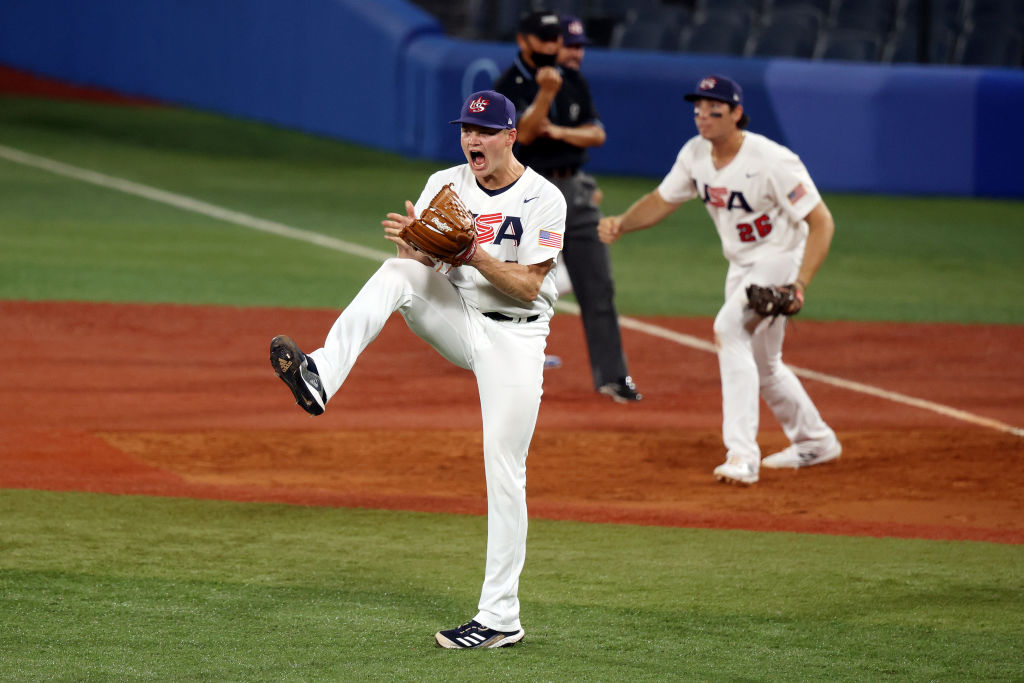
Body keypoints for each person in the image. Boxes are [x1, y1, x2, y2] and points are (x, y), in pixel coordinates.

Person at [269, 90, 565, 647]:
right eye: (465, 130)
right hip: (460, 316)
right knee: (394, 274)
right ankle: (320, 375)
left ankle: (501, 617)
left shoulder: (543, 199)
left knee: (505, 473)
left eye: (483, 131)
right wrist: (417, 245)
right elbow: (420, 270)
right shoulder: (445, 183)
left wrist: (470, 253)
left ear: (510, 136)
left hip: (516, 338)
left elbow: (529, 288)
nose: (472, 140)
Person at [598, 75, 842, 485]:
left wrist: (798, 284)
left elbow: (821, 222)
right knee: (764, 363)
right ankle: (816, 440)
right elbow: (663, 198)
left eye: (715, 108)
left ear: (737, 114)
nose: (703, 115)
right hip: (742, 265)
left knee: (727, 330)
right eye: (698, 108)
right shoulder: (695, 154)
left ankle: (743, 456)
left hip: (780, 258)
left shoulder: (771, 160)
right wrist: (623, 223)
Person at [493, 10, 641, 403]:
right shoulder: (508, 86)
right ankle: (503, 370)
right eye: (545, 39)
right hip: (527, 193)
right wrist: (543, 96)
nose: (553, 46)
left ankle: (613, 377)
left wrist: (557, 131)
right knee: (515, 287)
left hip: (575, 189)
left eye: (556, 39)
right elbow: (522, 135)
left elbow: (596, 133)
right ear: (523, 41)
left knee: (599, 286)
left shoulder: (572, 79)